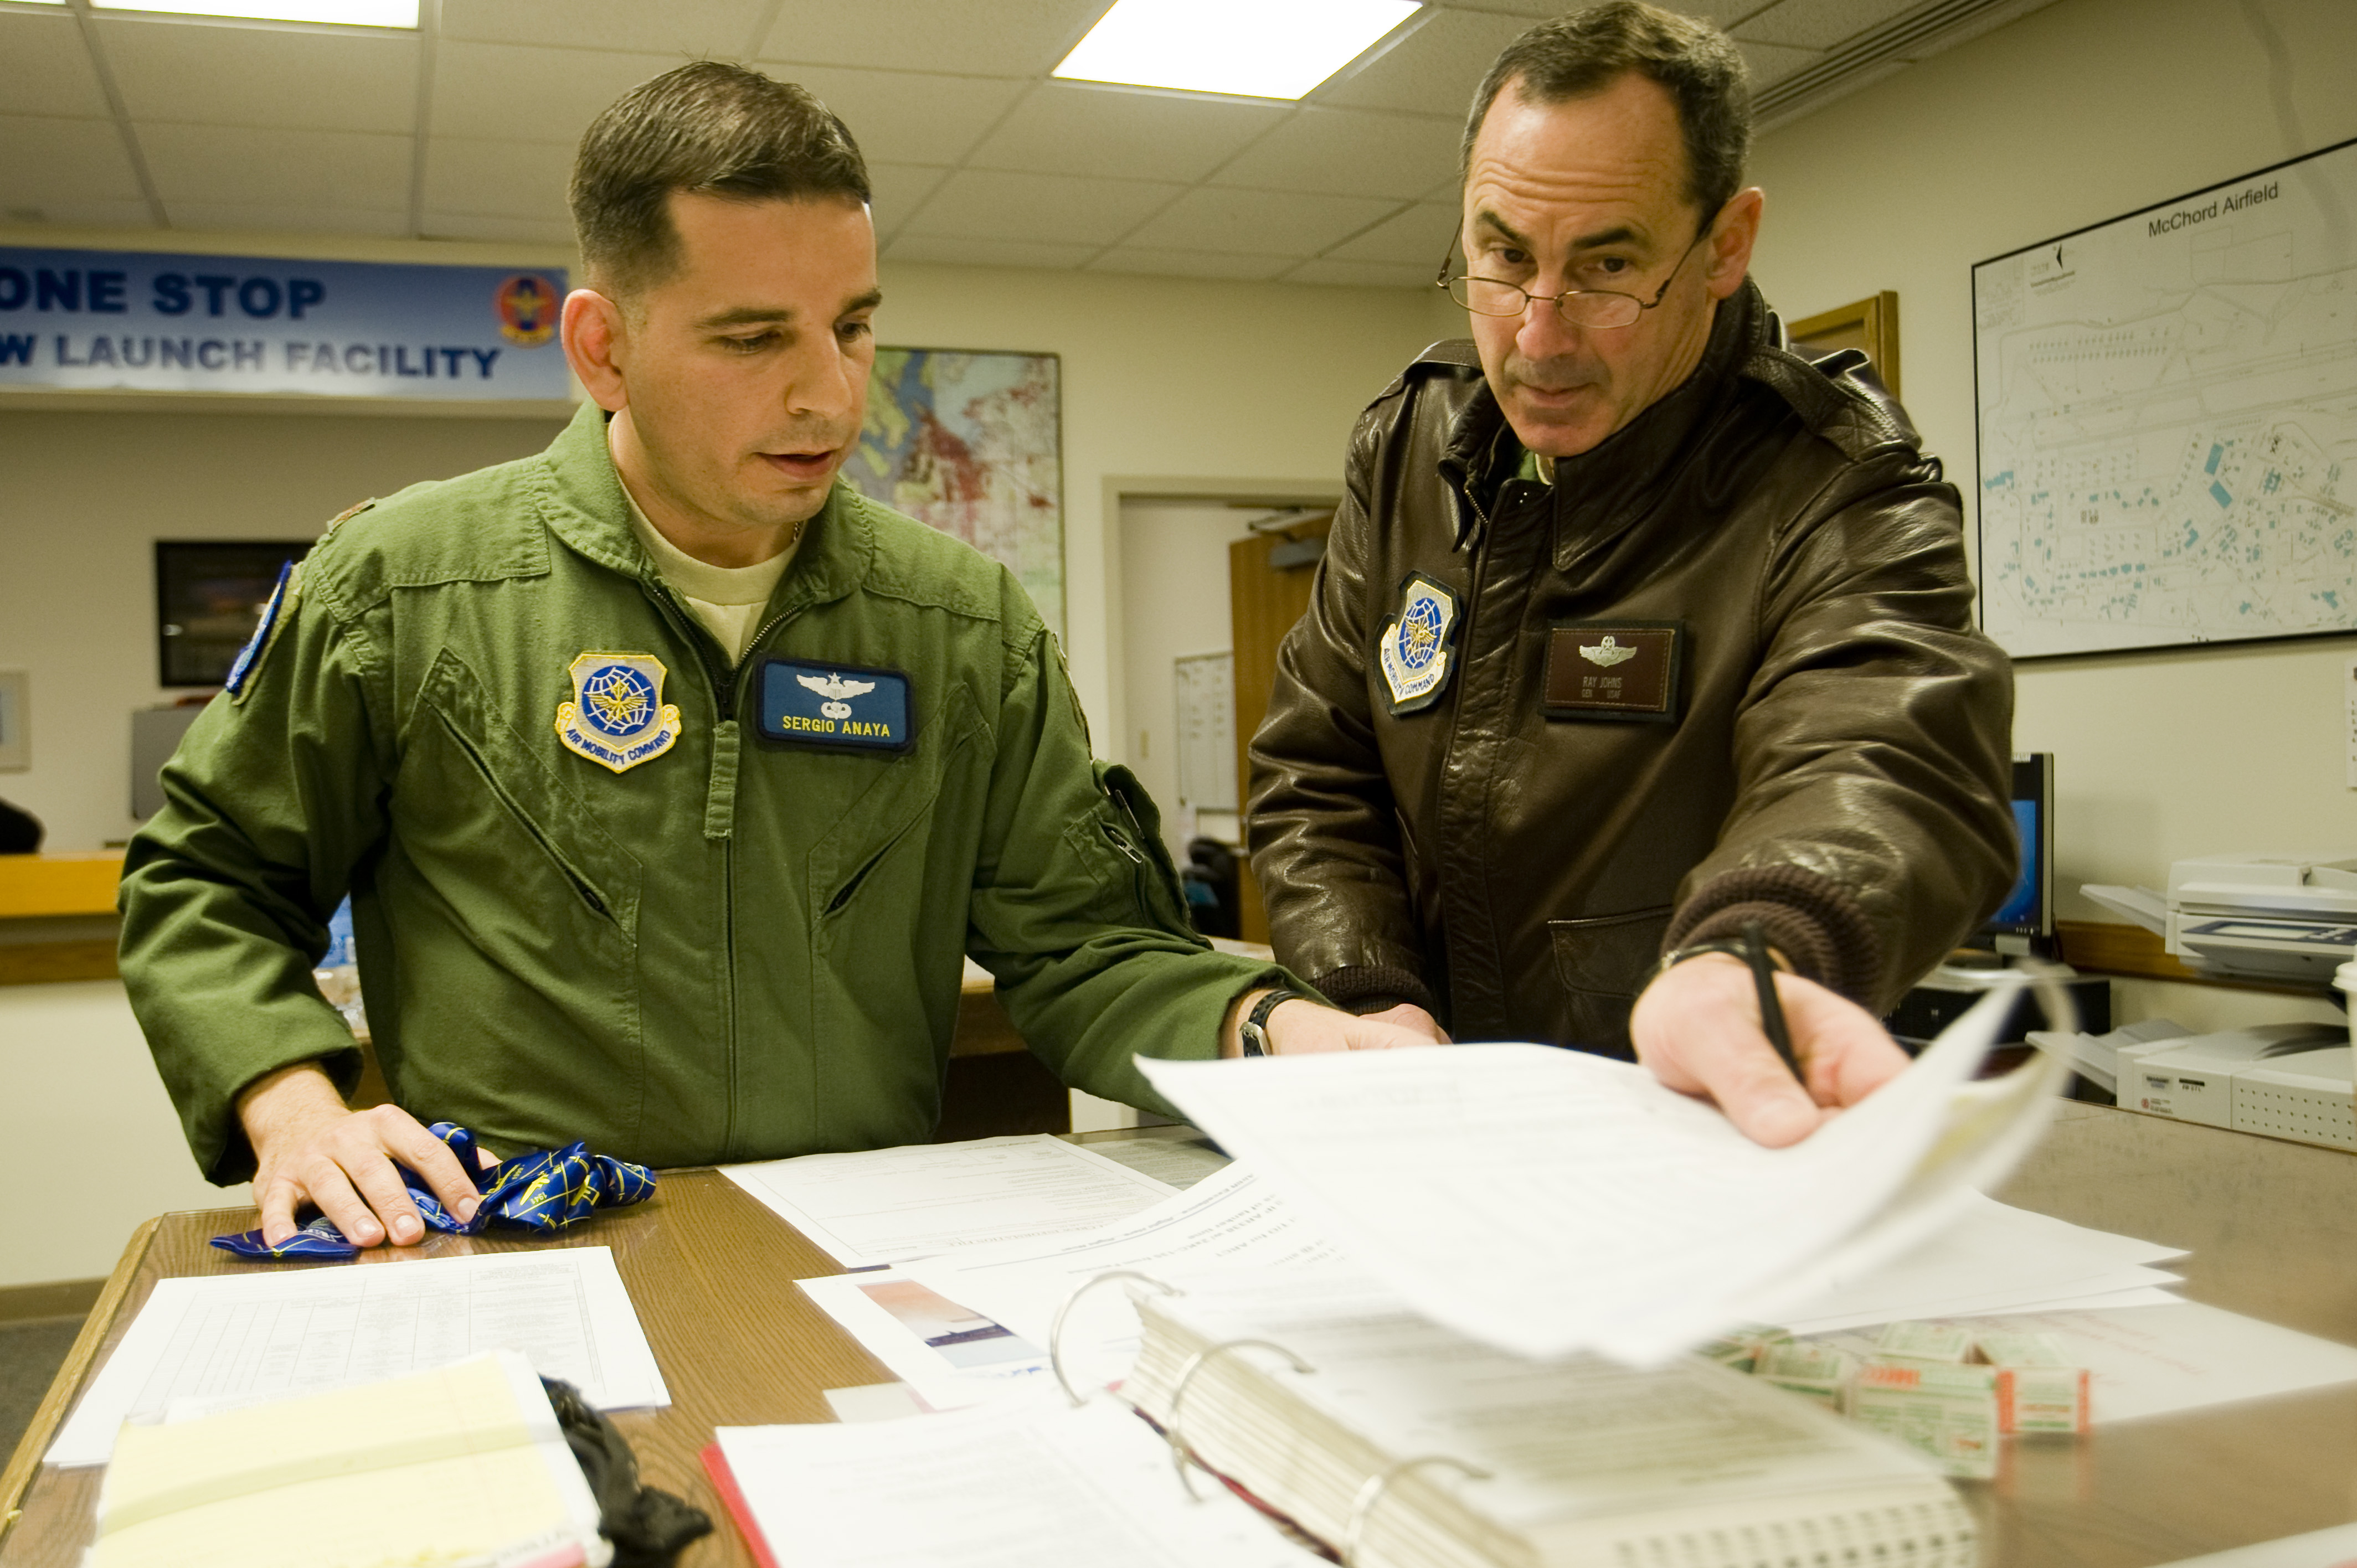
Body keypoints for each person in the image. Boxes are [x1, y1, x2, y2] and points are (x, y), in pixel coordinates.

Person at [120, 62, 1419, 1254]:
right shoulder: (407, 586)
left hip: (857, 1262)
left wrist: (1273, 1026)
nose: (830, 394)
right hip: (521, 1253)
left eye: (851, 327)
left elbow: (1088, 952)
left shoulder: (959, 624)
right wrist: (292, 1105)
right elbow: (207, 880)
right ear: (601, 349)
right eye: (753, 339)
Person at [1246, 2, 2015, 1147]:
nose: (1539, 335)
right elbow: (1319, 773)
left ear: (1725, 244)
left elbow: (1882, 760)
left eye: (1606, 268)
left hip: (1695, 1130)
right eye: (1503, 258)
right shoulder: (1410, 446)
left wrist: (1750, 951)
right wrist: (1368, 999)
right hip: (1429, 1122)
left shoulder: (1839, 483)